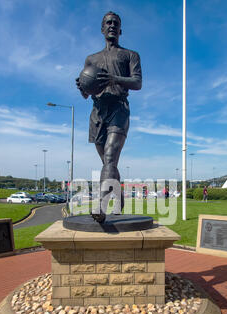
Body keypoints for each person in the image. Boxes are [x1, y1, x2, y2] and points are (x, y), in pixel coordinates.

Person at [76, 11, 142, 223]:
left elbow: (138, 83)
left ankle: (101, 206)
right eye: (108, 23)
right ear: (102, 29)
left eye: (116, 23)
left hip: (119, 108)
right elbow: (87, 93)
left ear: (120, 30)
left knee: (110, 156)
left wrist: (114, 78)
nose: (112, 25)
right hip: (97, 112)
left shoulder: (130, 55)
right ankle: (118, 194)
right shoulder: (91, 59)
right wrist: (82, 88)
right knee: (108, 162)